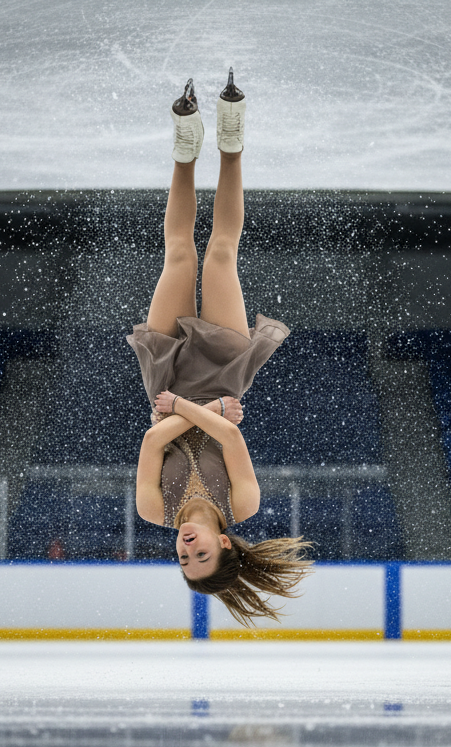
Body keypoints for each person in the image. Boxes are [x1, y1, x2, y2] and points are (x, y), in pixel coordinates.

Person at [127, 70, 313, 626]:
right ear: (226, 545)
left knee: (178, 255)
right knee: (221, 255)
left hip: (166, 374)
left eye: (184, 557)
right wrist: (203, 411)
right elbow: (228, 434)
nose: (187, 546)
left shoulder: (153, 510)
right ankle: (231, 143)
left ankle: (185, 150)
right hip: (222, 371)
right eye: (200, 554)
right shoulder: (243, 504)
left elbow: (152, 438)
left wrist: (190, 412)